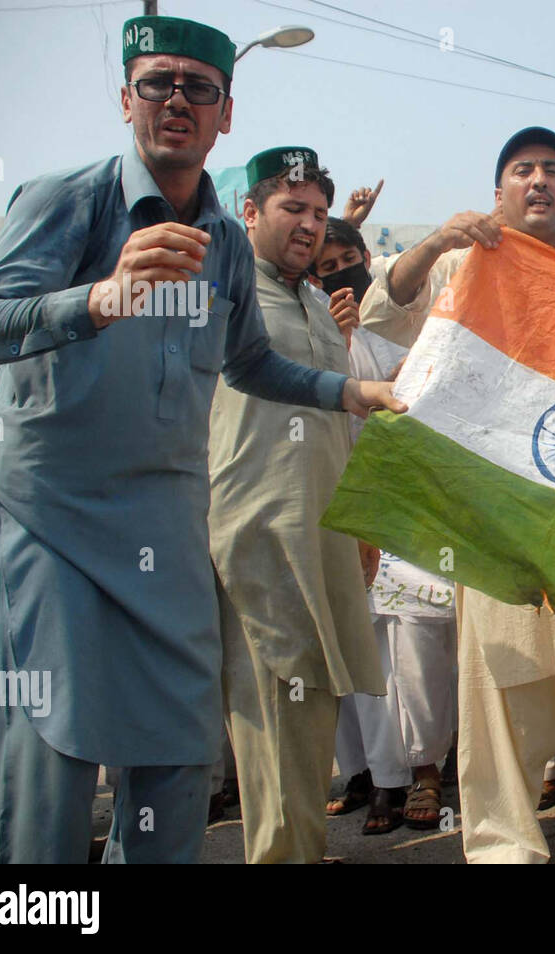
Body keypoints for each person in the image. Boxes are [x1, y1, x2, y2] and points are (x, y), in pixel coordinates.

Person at [0, 17, 400, 864]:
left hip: (166, 533)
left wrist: (349, 390)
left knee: (181, 763)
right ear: (127, 99)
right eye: (158, 82)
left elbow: (252, 363)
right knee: (52, 775)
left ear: (226, 114)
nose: (178, 101)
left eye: (201, 87)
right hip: (53, 525)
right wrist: (97, 299)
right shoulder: (64, 202)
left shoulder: (224, 244)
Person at [357, 126, 555, 863]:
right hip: (497, 507)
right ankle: (506, 838)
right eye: (523, 170)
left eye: (552, 171)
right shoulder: (464, 263)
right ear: (499, 189)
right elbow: (384, 311)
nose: (538, 181)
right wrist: (440, 239)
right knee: (504, 671)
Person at [208, 148, 389, 863]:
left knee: (312, 714)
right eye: (293, 208)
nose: (311, 225)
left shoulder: (318, 302)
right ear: (247, 213)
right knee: (274, 720)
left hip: (324, 535)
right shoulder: (220, 292)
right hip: (257, 536)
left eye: (319, 212)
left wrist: (360, 527)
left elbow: (338, 422)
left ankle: (298, 852)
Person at [315, 216, 458, 834]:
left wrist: (354, 345)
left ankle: (425, 769)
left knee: (419, 642)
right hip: (335, 510)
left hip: (410, 511)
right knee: (359, 650)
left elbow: (414, 395)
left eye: (350, 259)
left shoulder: (395, 327)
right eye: (325, 267)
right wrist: (330, 344)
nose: (340, 274)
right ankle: (378, 777)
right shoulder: (303, 333)